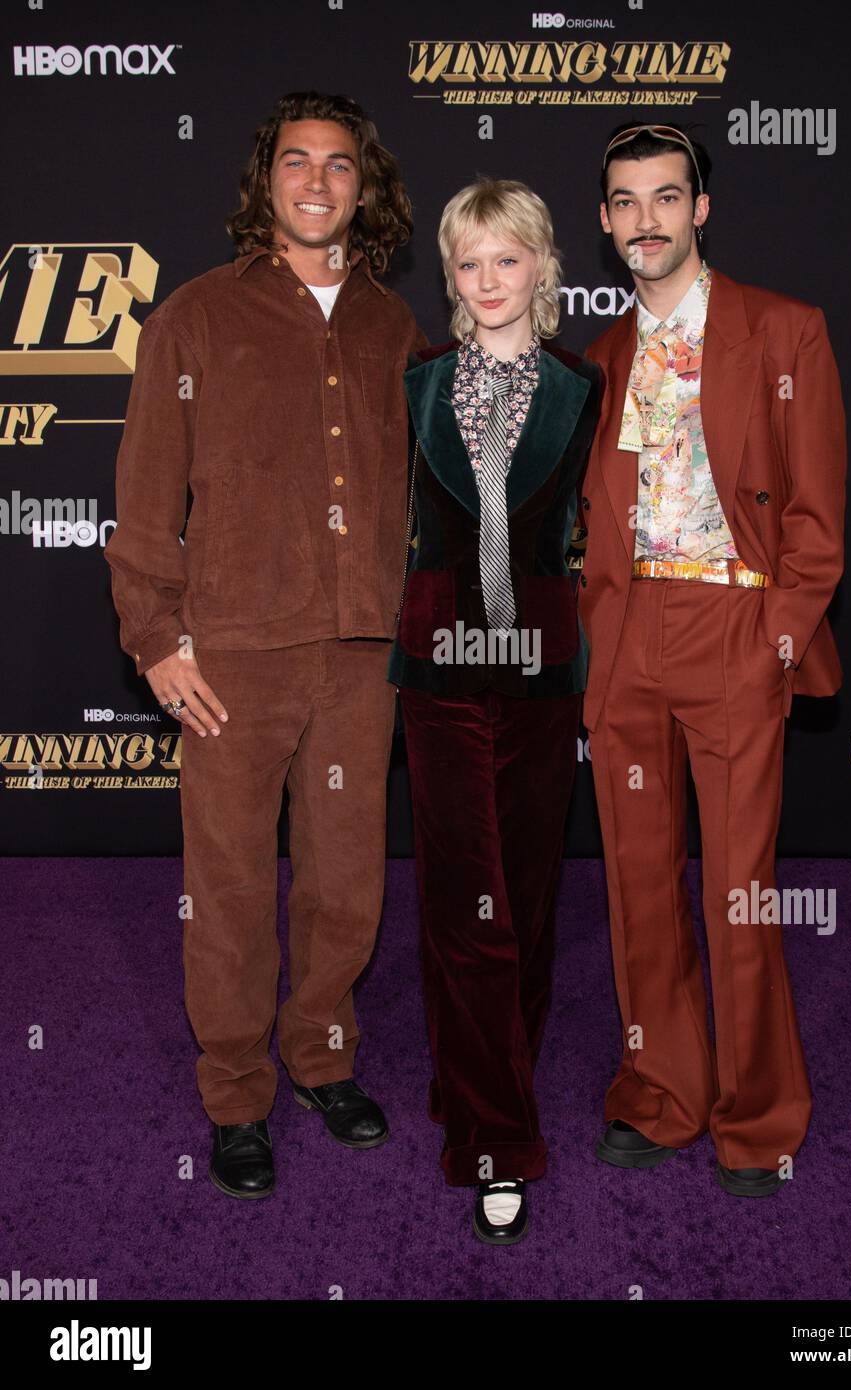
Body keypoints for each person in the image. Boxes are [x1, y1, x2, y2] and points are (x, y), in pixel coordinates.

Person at [105, 91, 427, 1200]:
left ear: (363, 187)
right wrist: (155, 638)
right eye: (298, 162)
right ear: (267, 181)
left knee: (345, 883)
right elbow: (146, 502)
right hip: (232, 655)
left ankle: (323, 1056)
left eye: (341, 166)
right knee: (233, 885)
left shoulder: (397, 332)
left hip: (360, 656)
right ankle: (238, 1092)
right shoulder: (192, 318)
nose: (318, 182)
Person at [579, 123, 846, 1196]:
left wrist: (776, 637)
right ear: (605, 223)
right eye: (625, 201)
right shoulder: (598, 361)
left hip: (735, 628)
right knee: (639, 883)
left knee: (740, 890)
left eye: (666, 196)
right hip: (629, 635)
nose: (646, 219)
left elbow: (816, 521)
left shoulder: (786, 332)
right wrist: (597, 659)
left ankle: (758, 1113)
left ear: (701, 208)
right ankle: (664, 1090)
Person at [389, 178, 603, 1243]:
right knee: (462, 897)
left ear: (542, 267)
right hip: (438, 669)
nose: (487, 281)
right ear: (453, 275)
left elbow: (597, 532)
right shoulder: (416, 380)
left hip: (539, 667)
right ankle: (496, 1139)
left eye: (506, 259)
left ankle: (476, 1071)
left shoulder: (583, 385)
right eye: (468, 263)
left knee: (522, 897)